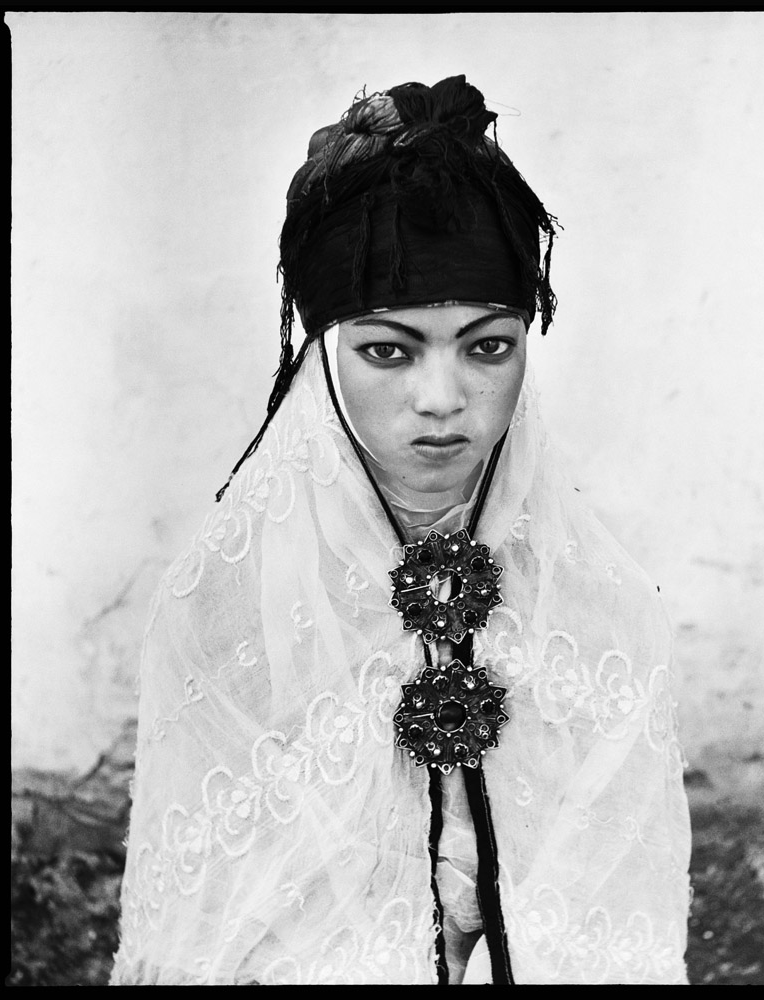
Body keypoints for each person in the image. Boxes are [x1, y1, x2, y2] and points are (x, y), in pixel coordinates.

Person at [110, 75, 691, 986]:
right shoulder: (222, 612)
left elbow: (610, 927)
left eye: (488, 345)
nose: (442, 399)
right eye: (388, 350)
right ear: (323, 363)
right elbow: (214, 937)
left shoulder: (604, 612)